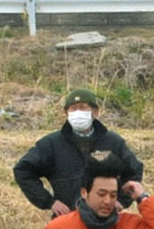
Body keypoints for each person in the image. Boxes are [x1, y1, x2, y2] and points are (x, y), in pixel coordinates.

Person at [13, 87, 145, 219]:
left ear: (95, 112)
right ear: (66, 113)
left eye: (83, 107)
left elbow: (134, 170)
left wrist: (121, 201)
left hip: (106, 220)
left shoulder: (113, 142)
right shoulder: (51, 143)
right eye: (73, 108)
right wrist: (49, 202)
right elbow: (23, 170)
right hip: (66, 220)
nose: (77, 112)